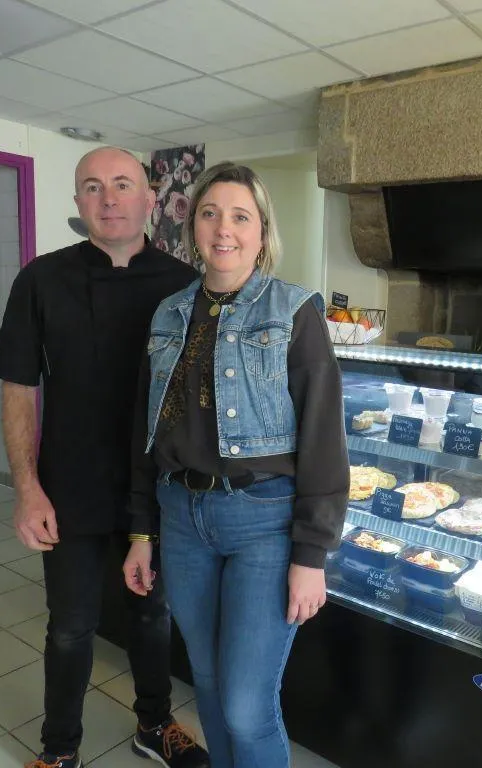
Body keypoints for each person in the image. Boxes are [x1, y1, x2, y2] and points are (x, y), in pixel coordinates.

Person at [0, 146, 210, 768]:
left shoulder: (184, 285)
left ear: (149, 200)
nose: (108, 198)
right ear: (78, 202)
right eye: (92, 187)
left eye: (121, 184)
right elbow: (17, 386)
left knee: (152, 615)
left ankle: (155, 725)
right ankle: (60, 751)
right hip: (70, 486)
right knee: (70, 625)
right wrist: (26, 488)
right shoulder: (42, 278)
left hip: (157, 489)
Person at [124, 161, 350, 768]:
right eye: (210, 213)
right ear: (193, 226)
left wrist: (311, 555)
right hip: (180, 516)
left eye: (240, 216)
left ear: (261, 231)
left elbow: (324, 439)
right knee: (210, 685)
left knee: (247, 705)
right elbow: (146, 431)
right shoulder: (168, 314)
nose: (224, 228)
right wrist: (141, 531)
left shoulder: (294, 311)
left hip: (264, 523)